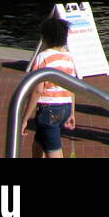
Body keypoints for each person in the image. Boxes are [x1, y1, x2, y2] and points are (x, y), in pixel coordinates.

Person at [24, 15, 77, 158]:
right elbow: (72, 87)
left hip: (48, 108)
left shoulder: (43, 57)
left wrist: (25, 118)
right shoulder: (68, 58)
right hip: (65, 106)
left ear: (44, 38)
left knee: (53, 148)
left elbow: (37, 90)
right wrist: (72, 112)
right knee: (40, 139)